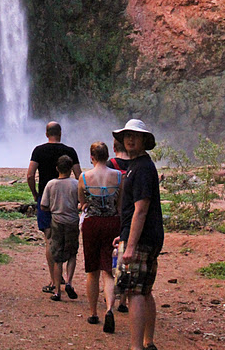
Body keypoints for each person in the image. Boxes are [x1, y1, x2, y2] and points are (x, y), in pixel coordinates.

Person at [112, 119, 164, 350]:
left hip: (141, 239)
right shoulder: (138, 165)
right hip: (144, 236)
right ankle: (148, 341)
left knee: (134, 293)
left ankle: (136, 346)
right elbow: (134, 210)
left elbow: (141, 209)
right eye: (127, 135)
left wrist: (130, 245)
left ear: (144, 140)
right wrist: (123, 235)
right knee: (145, 290)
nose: (130, 139)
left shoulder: (141, 168)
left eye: (135, 135)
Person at [27, 121, 81, 293]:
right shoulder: (70, 151)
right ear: (60, 133)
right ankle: (67, 279)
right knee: (69, 241)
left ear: (46, 133)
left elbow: (30, 174)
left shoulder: (39, 150)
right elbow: (80, 177)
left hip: (47, 199)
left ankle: (53, 280)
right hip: (68, 202)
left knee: (50, 240)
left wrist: (36, 194)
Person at [79, 141, 123, 332]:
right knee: (108, 270)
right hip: (112, 223)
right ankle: (109, 309)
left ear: (92, 157)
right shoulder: (119, 177)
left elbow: (82, 203)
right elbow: (120, 206)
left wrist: (86, 205)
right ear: (107, 156)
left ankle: (92, 312)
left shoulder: (84, 177)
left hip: (92, 224)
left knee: (92, 270)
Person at [40, 155, 80, 301]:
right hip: (72, 221)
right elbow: (82, 201)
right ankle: (69, 282)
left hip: (56, 221)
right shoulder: (76, 184)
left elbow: (43, 205)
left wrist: (53, 208)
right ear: (71, 169)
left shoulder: (51, 184)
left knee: (57, 257)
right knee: (72, 254)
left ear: (57, 168)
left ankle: (57, 290)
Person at [107, 136, 130, 313]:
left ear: (114, 148)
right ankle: (123, 300)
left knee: (111, 257)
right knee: (128, 259)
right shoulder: (135, 165)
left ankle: (110, 300)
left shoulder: (110, 164)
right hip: (131, 216)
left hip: (114, 214)